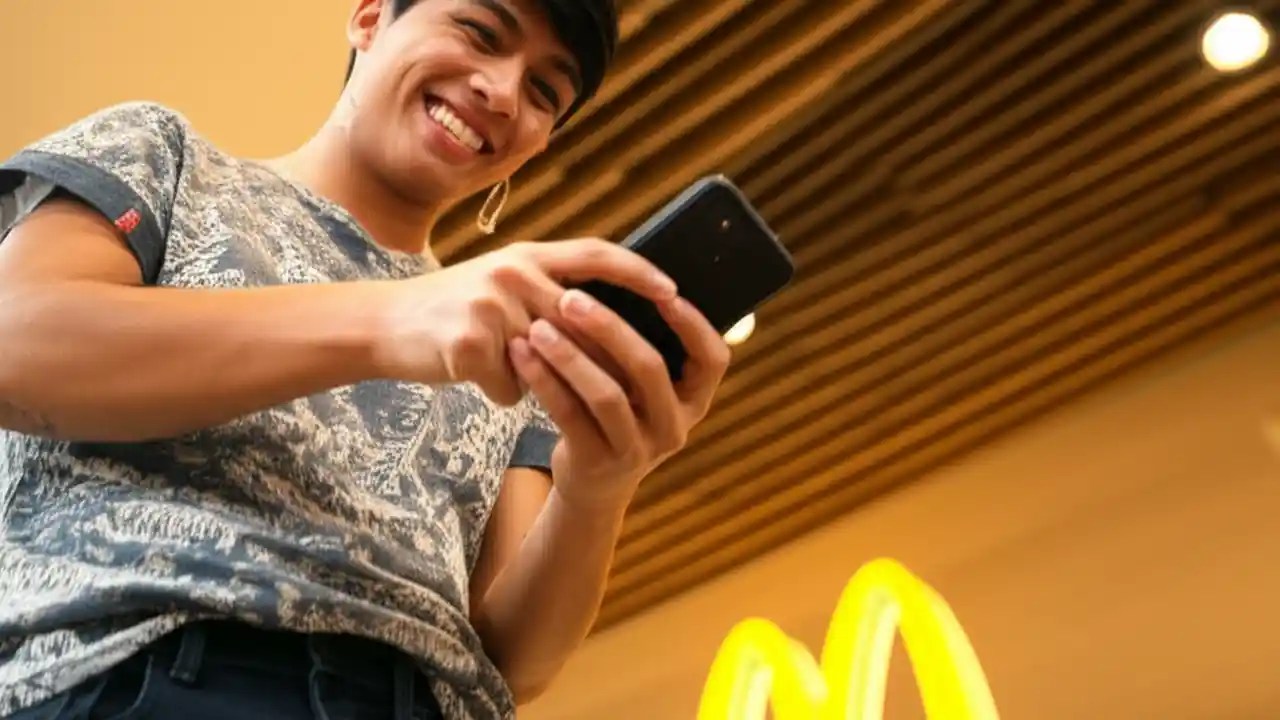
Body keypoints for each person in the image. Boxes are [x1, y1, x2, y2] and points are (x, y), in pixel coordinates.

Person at [0, 0, 731, 718]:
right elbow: (17, 343)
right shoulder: (164, 157)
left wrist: (597, 489)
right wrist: (390, 318)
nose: (504, 93)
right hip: (146, 669)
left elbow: (513, 660)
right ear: (370, 17)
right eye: (480, 32)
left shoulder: (511, 337)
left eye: (545, 91)